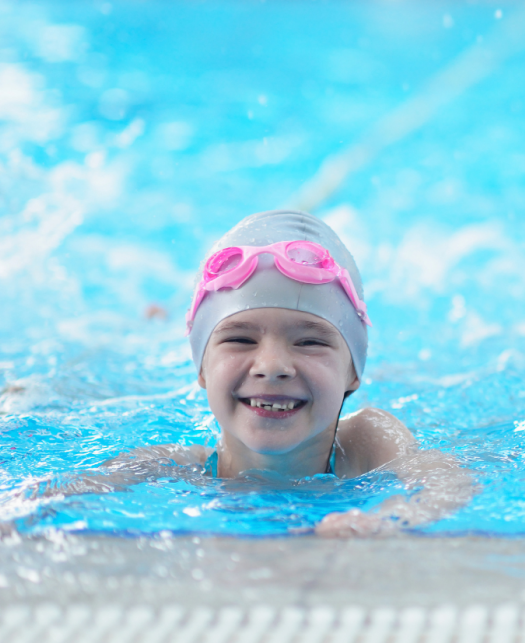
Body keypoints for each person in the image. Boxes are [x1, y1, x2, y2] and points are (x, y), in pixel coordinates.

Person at [30, 210, 475, 537]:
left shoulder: (367, 442)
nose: (272, 367)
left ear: (353, 372)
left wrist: (394, 518)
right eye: (240, 339)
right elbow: (68, 491)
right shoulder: (172, 467)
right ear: (202, 369)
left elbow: (445, 480)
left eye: (310, 341)